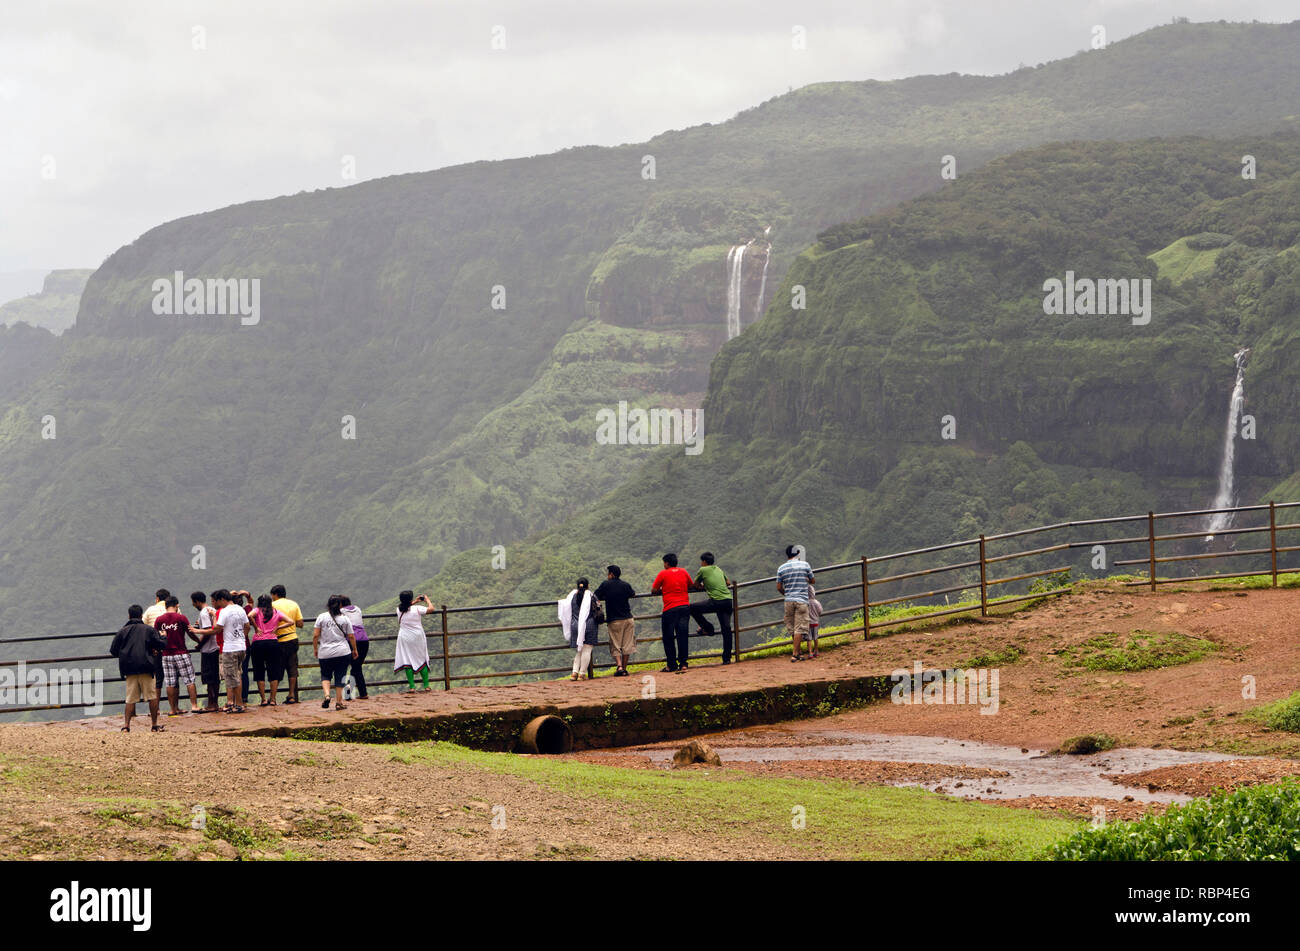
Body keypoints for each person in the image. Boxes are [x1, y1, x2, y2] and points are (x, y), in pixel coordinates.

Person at [109, 604, 168, 732]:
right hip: (146, 666)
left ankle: (126, 725)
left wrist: (125, 653)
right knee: (152, 696)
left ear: (129, 616)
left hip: (129, 668)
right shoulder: (149, 630)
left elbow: (113, 651)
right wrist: (163, 636)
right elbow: (161, 644)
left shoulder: (122, 631)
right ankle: (154, 725)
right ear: (141, 615)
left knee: (130, 698)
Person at [154, 595, 200, 716]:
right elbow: (190, 633)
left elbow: (156, 636)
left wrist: (156, 649)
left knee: (170, 682)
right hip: (181, 653)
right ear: (177, 605)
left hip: (166, 655)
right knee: (189, 680)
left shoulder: (159, 620)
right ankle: (194, 706)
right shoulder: (181, 618)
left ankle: (173, 709)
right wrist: (199, 642)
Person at [313, 596, 359, 711]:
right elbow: (351, 636)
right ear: (340, 606)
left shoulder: (321, 617)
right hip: (342, 652)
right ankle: (339, 702)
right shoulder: (345, 618)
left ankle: (327, 695)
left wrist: (315, 649)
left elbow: (315, 635)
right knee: (340, 676)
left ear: (328, 605)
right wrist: (354, 649)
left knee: (325, 675)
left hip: (325, 652)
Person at [689, 552, 735, 664]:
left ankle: (708, 628)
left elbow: (695, 585)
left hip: (716, 601)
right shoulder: (718, 569)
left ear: (704, 562)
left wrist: (704, 586)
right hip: (728, 601)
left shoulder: (703, 570)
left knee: (692, 608)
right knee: (726, 629)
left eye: (701, 561)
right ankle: (726, 659)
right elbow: (728, 583)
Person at [651, 553, 693, 673]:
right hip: (685, 607)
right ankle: (684, 663)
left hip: (670, 609)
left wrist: (662, 589)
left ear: (667, 563)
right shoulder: (684, 572)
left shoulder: (663, 573)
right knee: (683, 636)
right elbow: (691, 585)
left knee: (668, 637)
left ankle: (671, 664)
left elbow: (654, 590)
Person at [594, 565, 636, 676]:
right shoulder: (625, 585)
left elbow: (596, 595)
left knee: (615, 644)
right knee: (627, 644)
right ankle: (625, 669)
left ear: (611, 574)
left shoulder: (605, 585)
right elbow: (632, 593)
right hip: (628, 618)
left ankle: (619, 667)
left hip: (614, 620)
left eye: (608, 573)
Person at [212, 589, 249, 712]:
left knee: (232, 677)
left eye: (218, 601)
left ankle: (238, 705)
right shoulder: (240, 609)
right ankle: (238, 703)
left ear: (223, 599)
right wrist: (241, 638)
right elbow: (247, 626)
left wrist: (200, 630)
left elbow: (217, 628)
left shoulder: (225, 611)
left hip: (230, 648)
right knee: (238, 675)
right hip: (242, 647)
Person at [776, 545, 816, 661]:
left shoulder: (781, 568)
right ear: (798, 554)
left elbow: (779, 587)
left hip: (788, 600)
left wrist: (787, 594)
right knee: (799, 628)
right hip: (801, 600)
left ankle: (799, 652)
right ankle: (795, 654)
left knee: (793, 627)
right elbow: (813, 580)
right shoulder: (805, 565)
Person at [247, 594, 286, 706]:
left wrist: (256, 627)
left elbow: (249, 615)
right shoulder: (276, 612)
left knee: (259, 671)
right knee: (273, 671)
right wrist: (278, 627)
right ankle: (273, 699)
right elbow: (290, 621)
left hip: (258, 643)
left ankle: (263, 699)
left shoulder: (257, 610)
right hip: (273, 643)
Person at [270, 585, 305, 704]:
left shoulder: (272, 605)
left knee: (277, 668)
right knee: (292, 668)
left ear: (275, 594)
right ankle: (291, 695)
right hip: (292, 639)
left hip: (278, 640)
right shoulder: (294, 604)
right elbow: (300, 623)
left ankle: (273, 697)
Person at [559, 578, 599, 681]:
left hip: (575, 625)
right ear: (588, 586)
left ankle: (574, 673)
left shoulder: (572, 597)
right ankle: (582, 674)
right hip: (589, 625)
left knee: (579, 650)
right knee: (587, 649)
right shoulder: (591, 596)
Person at [393, 590, 433, 691]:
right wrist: (427, 600)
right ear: (410, 599)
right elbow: (431, 609)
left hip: (404, 637)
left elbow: (406, 606)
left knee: (407, 659)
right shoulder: (418, 609)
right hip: (417, 636)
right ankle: (426, 685)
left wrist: (415, 601)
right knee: (421, 658)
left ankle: (412, 687)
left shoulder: (399, 609)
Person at [191, 591, 221, 712]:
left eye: (193, 603)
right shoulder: (211, 609)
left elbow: (209, 631)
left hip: (209, 649)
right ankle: (215, 703)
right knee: (215, 678)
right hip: (216, 647)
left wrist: (200, 644)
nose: (193, 605)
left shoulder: (204, 612)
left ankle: (212, 704)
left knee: (210, 678)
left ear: (197, 601)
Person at [339, 596, 369, 699]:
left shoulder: (341, 611)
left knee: (356, 667)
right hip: (364, 640)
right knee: (356, 667)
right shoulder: (358, 609)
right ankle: (348, 694)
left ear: (340, 604)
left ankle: (363, 693)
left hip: (352, 641)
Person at [142, 588, 170, 695]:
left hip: (156, 649)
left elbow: (142, 625)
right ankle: (174, 708)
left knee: (158, 679)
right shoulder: (174, 609)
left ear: (157, 599)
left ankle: (156, 708)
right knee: (172, 679)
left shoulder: (150, 610)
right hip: (171, 648)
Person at [807, 585, 824, 658]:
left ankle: (810, 652)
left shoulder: (806, 603)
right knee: (815, 637)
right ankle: (816, 651)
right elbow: (820, 611)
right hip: (815, 622)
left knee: (809, 638)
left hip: (808, 623)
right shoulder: (816, 602)